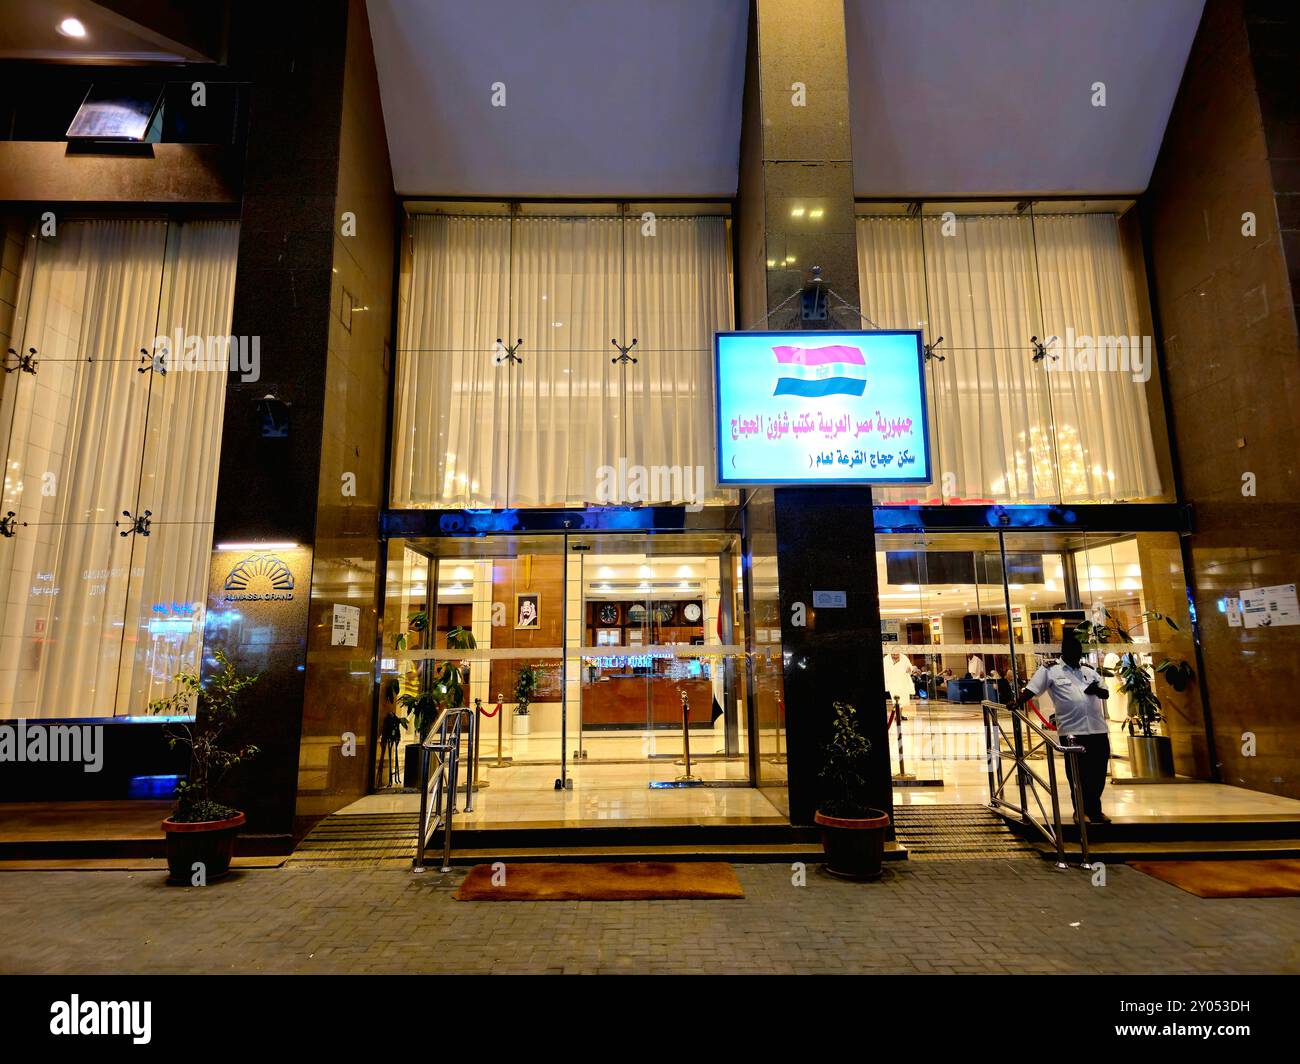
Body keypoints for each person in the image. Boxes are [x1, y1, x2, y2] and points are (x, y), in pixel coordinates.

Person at [1013, 632, 1112, 824]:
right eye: (1073, 651)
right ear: (1064, 652)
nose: (1077, 654)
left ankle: (1095, 809)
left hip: (1097, 729)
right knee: (1077, 773)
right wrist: (1017, 702)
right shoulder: (1051, 670)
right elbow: (1033, 689)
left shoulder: (1089, 670)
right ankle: (1080, 810)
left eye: (1079, 651)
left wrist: (1096, 690)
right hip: (1073, 731)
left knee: (1098, 773)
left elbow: (1105, 692)